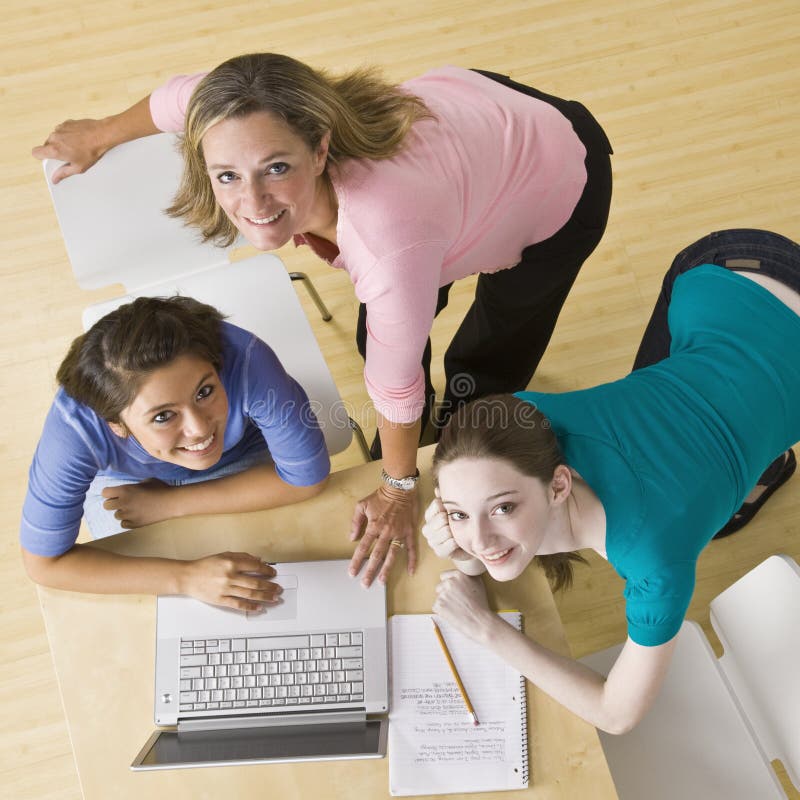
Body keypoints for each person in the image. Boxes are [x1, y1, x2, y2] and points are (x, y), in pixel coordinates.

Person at [32, 52, 614, 587]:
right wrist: (101, 133)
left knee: (489, 351)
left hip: (554, 173)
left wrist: (398, 486)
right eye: (227, 175)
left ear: (319, 150)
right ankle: (418, 436)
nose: (253, 204)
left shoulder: (388, 238)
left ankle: (456, 426)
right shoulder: (233, 112)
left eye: (275, 168)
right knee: (384, 332)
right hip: (468, 136)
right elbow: (169, 101)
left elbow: (396, 383)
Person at [422, 229, 799, 733]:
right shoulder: (517, 423)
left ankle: (763, 464)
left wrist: (488, 630)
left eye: (503, 508)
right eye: (457, 513)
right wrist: (463, 547)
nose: (480, 537)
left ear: (559, 485)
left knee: (702, 465)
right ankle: (764, 463)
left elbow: (616, 714)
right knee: (670, 392)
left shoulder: (654, 562)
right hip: (718, 273)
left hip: (739, 283)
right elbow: (485, 546)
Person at [21, 295, 330, 611]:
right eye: (163, 416)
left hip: (238, 452)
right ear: (115, 424)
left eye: (204, 392)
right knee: (155, 605)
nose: (199, 429)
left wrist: (170, 504)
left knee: (276, 560)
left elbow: (306, 479)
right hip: (127, 479)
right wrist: (186, 578)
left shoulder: (247, 359)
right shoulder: (74, 429)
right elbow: (44, 564)